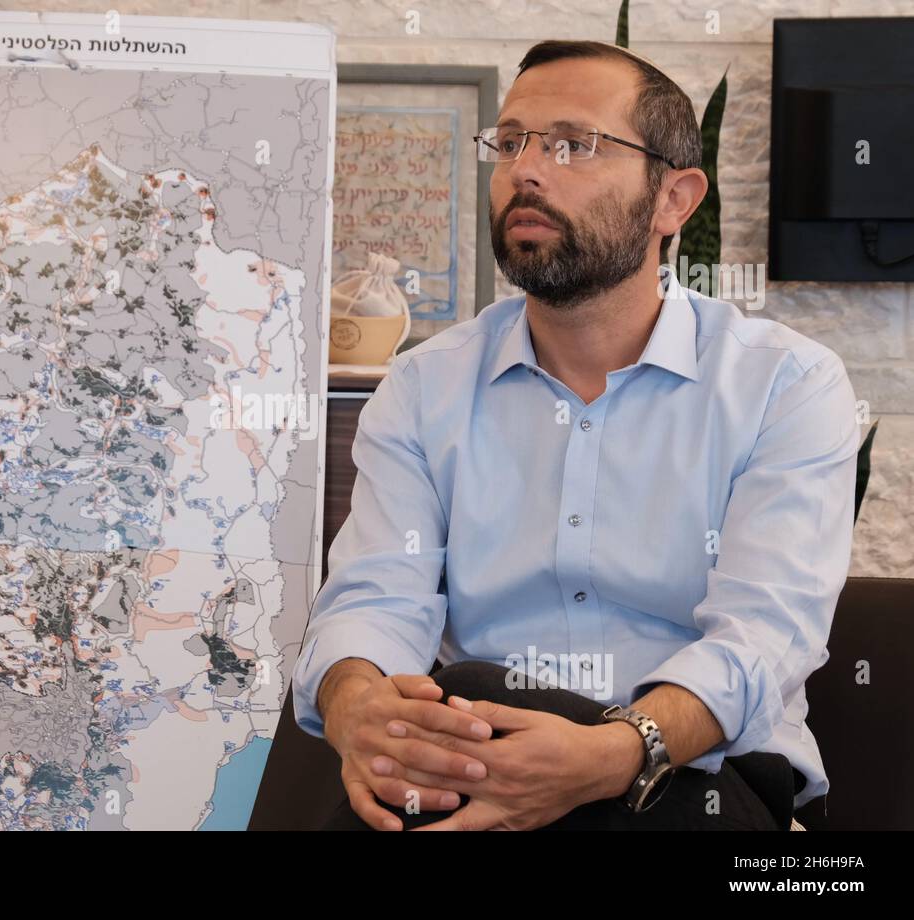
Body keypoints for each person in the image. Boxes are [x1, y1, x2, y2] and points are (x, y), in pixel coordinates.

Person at [291, 39, 860, 831]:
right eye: (512, 141)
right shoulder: (425, 387)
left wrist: (618, 749)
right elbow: (376, 598)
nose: (527, 168)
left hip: (699, 775)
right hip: (479, 755)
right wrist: (356, 704)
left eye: (572, 145)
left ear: (675, 200)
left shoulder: (785, 386)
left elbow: (766, 634)